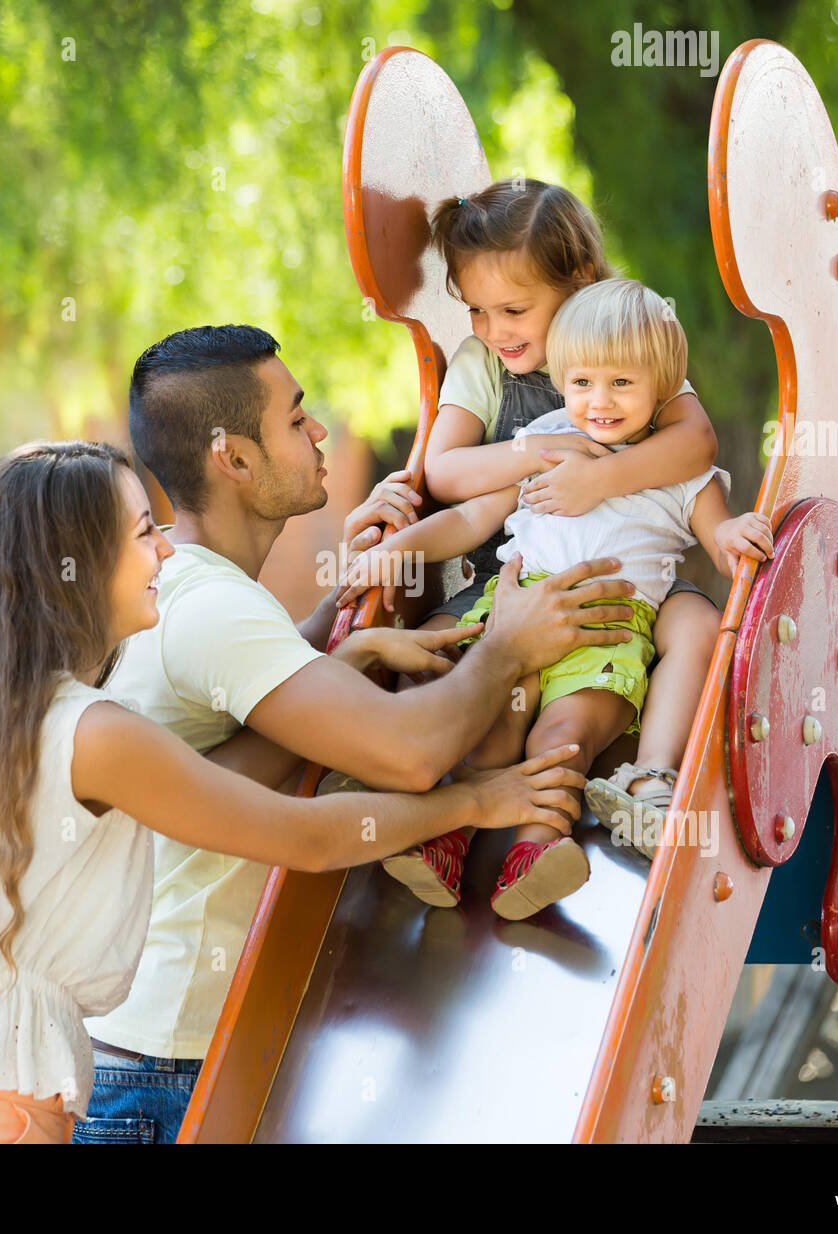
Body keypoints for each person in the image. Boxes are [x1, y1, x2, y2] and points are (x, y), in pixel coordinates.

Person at [0, 440, 590, 1144]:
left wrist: (336, 659)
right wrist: (480, 784)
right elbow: (306, 836)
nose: (164, 551)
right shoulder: (90, 731)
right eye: (141, 532)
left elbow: (209, 792)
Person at [77, 325, 640, 1143]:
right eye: (295, 418)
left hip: (163, 1049)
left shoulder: (191, 588)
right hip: (173, 1073)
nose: (319, 434)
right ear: (232, 458)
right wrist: (509, 645)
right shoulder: (213, 609)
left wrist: (347, 603)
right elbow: (409, 756)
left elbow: (266, 692)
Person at [340, 280, 773, 917]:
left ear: (664, 385)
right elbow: (470, 521)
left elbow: (717, 534)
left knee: (564, 738)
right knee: (489, 731)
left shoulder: (677, 468)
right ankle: (443, 840)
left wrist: (734, 531)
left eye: (622, 384)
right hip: (515, 618)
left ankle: (536, 854)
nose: (599, 402)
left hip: (608, 628)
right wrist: (396, 550)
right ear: (561, 379)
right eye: (582, 383)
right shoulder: (546, 441)